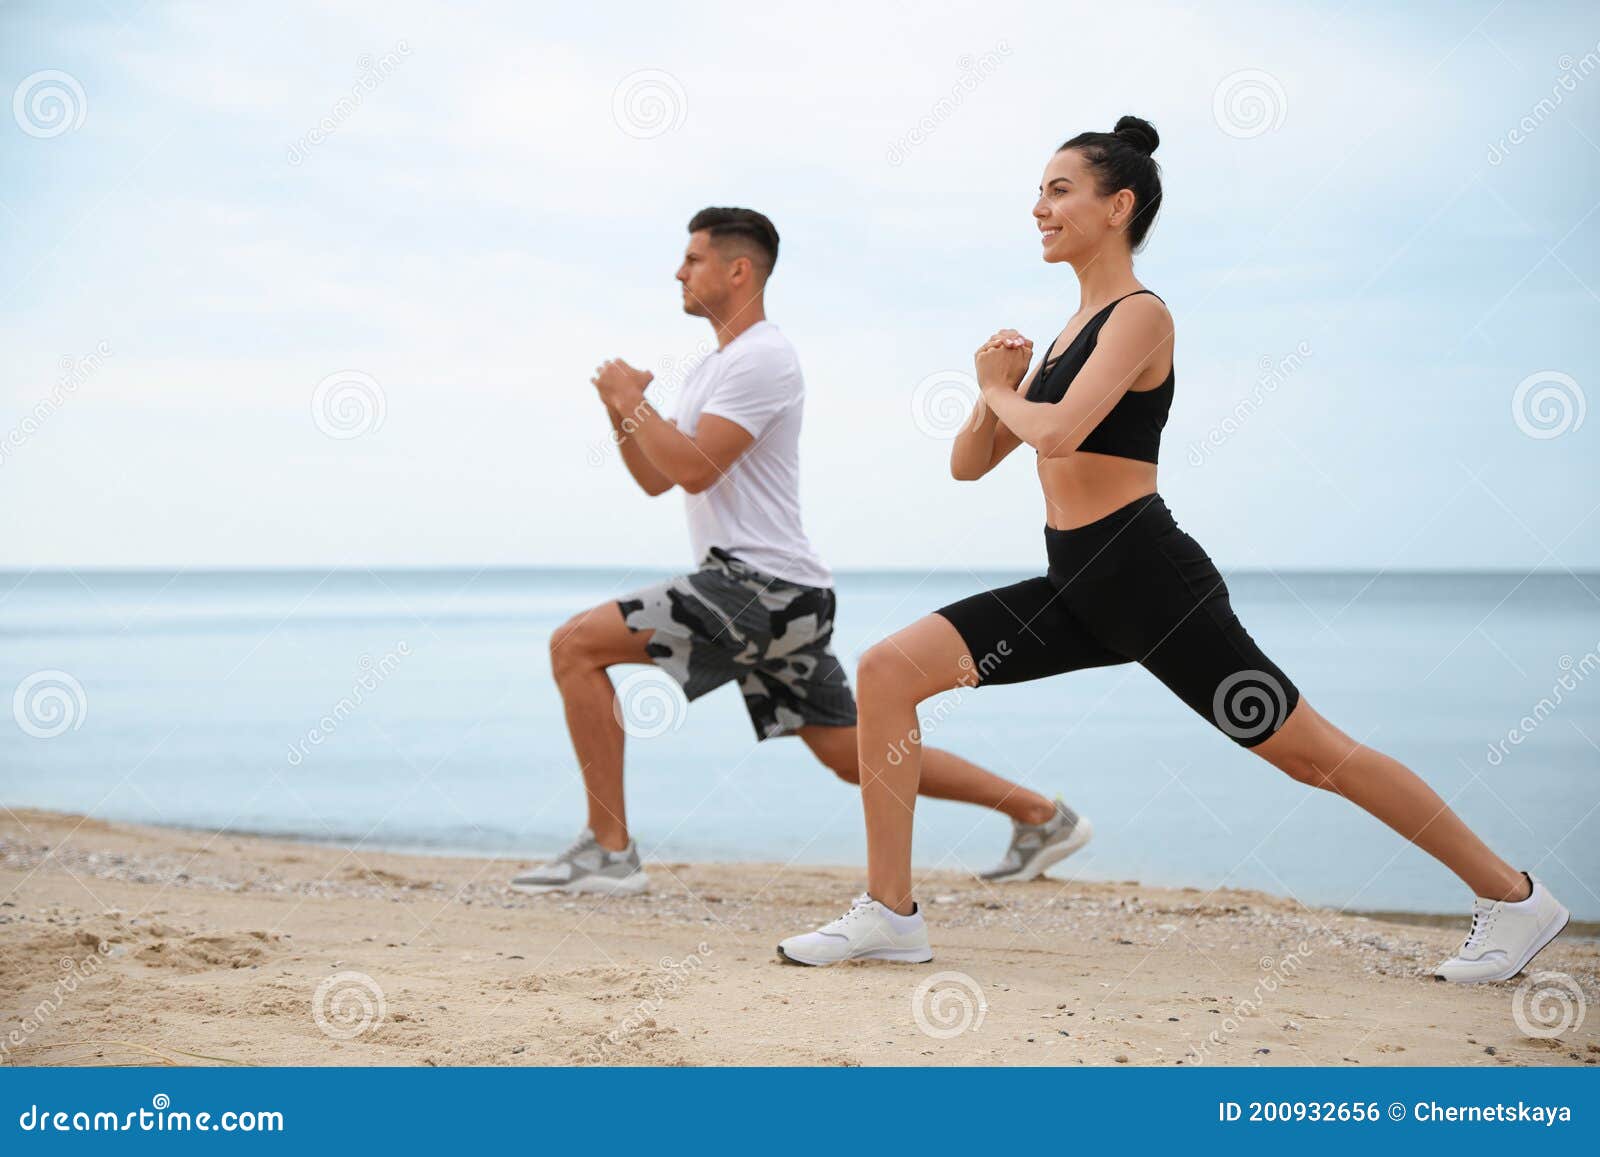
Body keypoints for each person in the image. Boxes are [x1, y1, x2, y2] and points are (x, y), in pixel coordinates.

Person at [777, 119, 1569, 980]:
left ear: (1118, 205)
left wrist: (999, 391)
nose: (1038, 206)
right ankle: (891, 914)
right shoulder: (1066, 329)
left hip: (1152, 583)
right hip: (1076, 584)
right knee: (889, 671)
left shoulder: (1140, 317)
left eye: (1058, 189)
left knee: (1313, 755)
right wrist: (990, 396)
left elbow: (1060, 432)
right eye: (1039, 190)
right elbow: (970, 464)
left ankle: (1515, 895)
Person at [511, 207, 1092, 896]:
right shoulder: (713, 366)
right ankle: (1040, 815)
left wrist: (632, 402)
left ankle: (609, 850)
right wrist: (623, 409)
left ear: (738, 270)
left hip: (758, 588)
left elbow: (696, 467)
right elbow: (657, 477)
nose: (678, 270)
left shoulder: (765, 357)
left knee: (574, 645)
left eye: (692, 258)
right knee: (852, 752)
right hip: (783, 594)